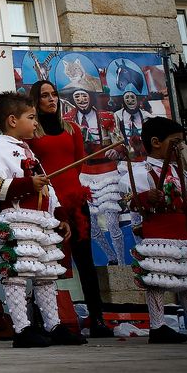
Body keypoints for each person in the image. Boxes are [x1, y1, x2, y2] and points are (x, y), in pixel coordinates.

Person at [0, 92, 84, 348]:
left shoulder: (29, 152)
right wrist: (26, 184)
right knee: (18, 272)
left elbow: (49, 190)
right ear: (13, 120)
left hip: (41, 222)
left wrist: (59, 216)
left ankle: (53, 325)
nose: (36, 123)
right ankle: (22, 329)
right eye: (31, 117)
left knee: (45, 274)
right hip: (17, 219)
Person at [119, 117, 187, 344]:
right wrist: (147, 198)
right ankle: (158, 326)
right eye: (176, 142)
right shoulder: (139, 173)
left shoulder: (182, 175)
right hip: (157, 234)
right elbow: (131, 203)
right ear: (156, 142)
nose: (180, 148)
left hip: (183, 235)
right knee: (157, 279)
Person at [26, 79, 111, 338]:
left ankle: (97, 319)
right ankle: (42, 320)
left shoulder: (72, 128)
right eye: (44, 96)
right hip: (47, 204)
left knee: (85, 261)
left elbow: (76, 164)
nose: (51, 99)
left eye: (54, 94)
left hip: (74, 203)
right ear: (35, 101)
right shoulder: (31, 132)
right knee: (45, 263)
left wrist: (71, 194)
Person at [70, 87, 127, 265]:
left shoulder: (107, 117)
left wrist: (115, 151)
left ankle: (122, 261)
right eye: (77, 96)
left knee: (112, 223)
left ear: (90, 98)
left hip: (107, 173)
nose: (81, 99)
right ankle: (111, 258)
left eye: (83, 95)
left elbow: (120, 142)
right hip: (85, 176)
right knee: (92, 226)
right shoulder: (68, 120)